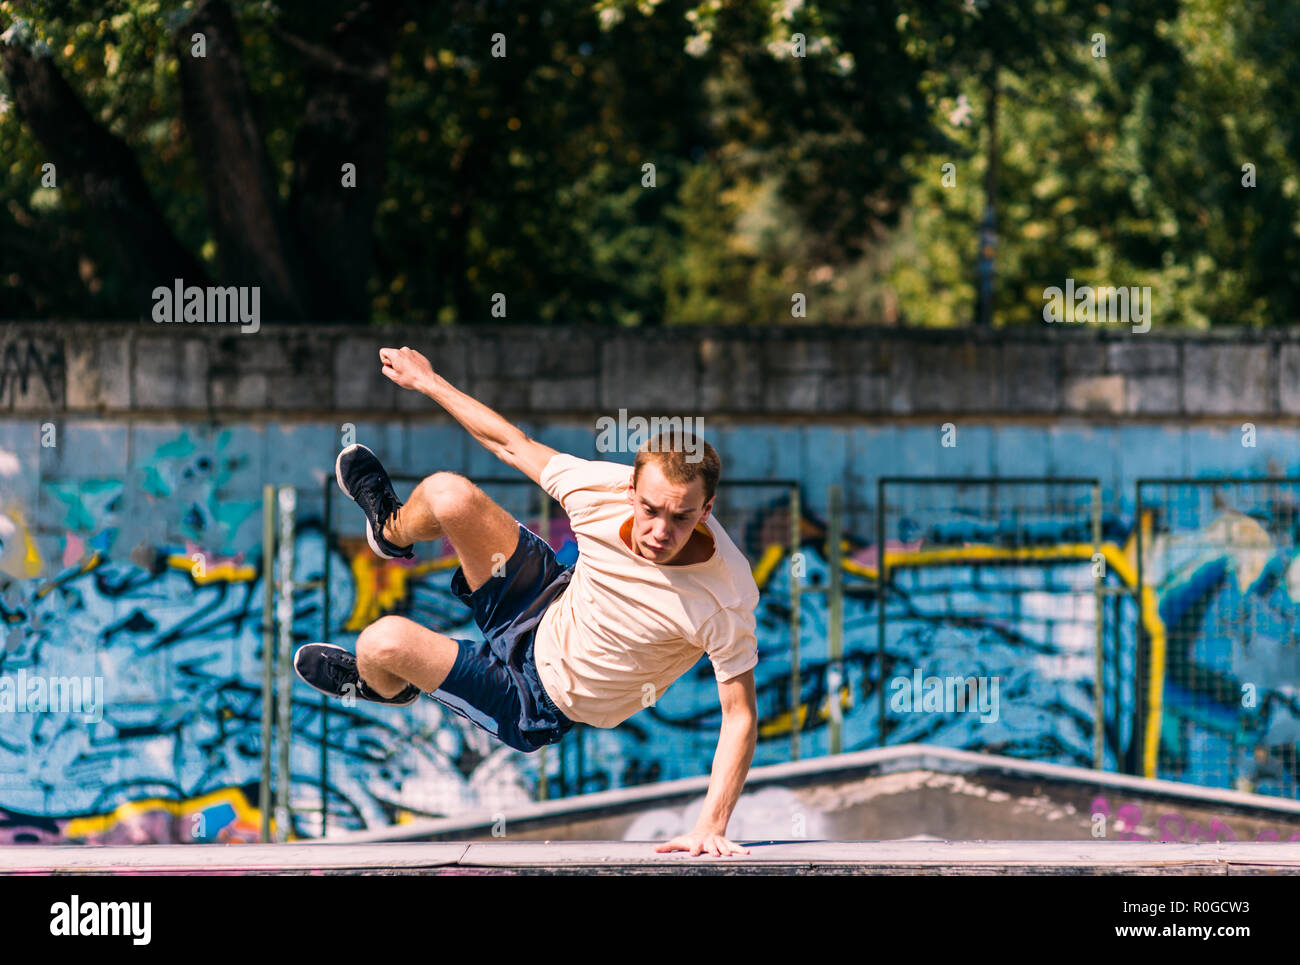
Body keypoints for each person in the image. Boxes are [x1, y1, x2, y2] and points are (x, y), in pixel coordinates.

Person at [295, 345, 759, 857]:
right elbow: (511, 444)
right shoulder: (599, 492)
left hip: (535, 698)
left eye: (681, 518)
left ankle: (384, 687)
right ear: (631, 489)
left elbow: (738, 715)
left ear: (707, 508)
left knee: (381, 644)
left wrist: (711, 825)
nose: (659, 531)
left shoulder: (724, 595)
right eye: (650, 510)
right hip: (541, 598)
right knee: (450, 493)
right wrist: (428, 381)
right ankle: (390, 529)